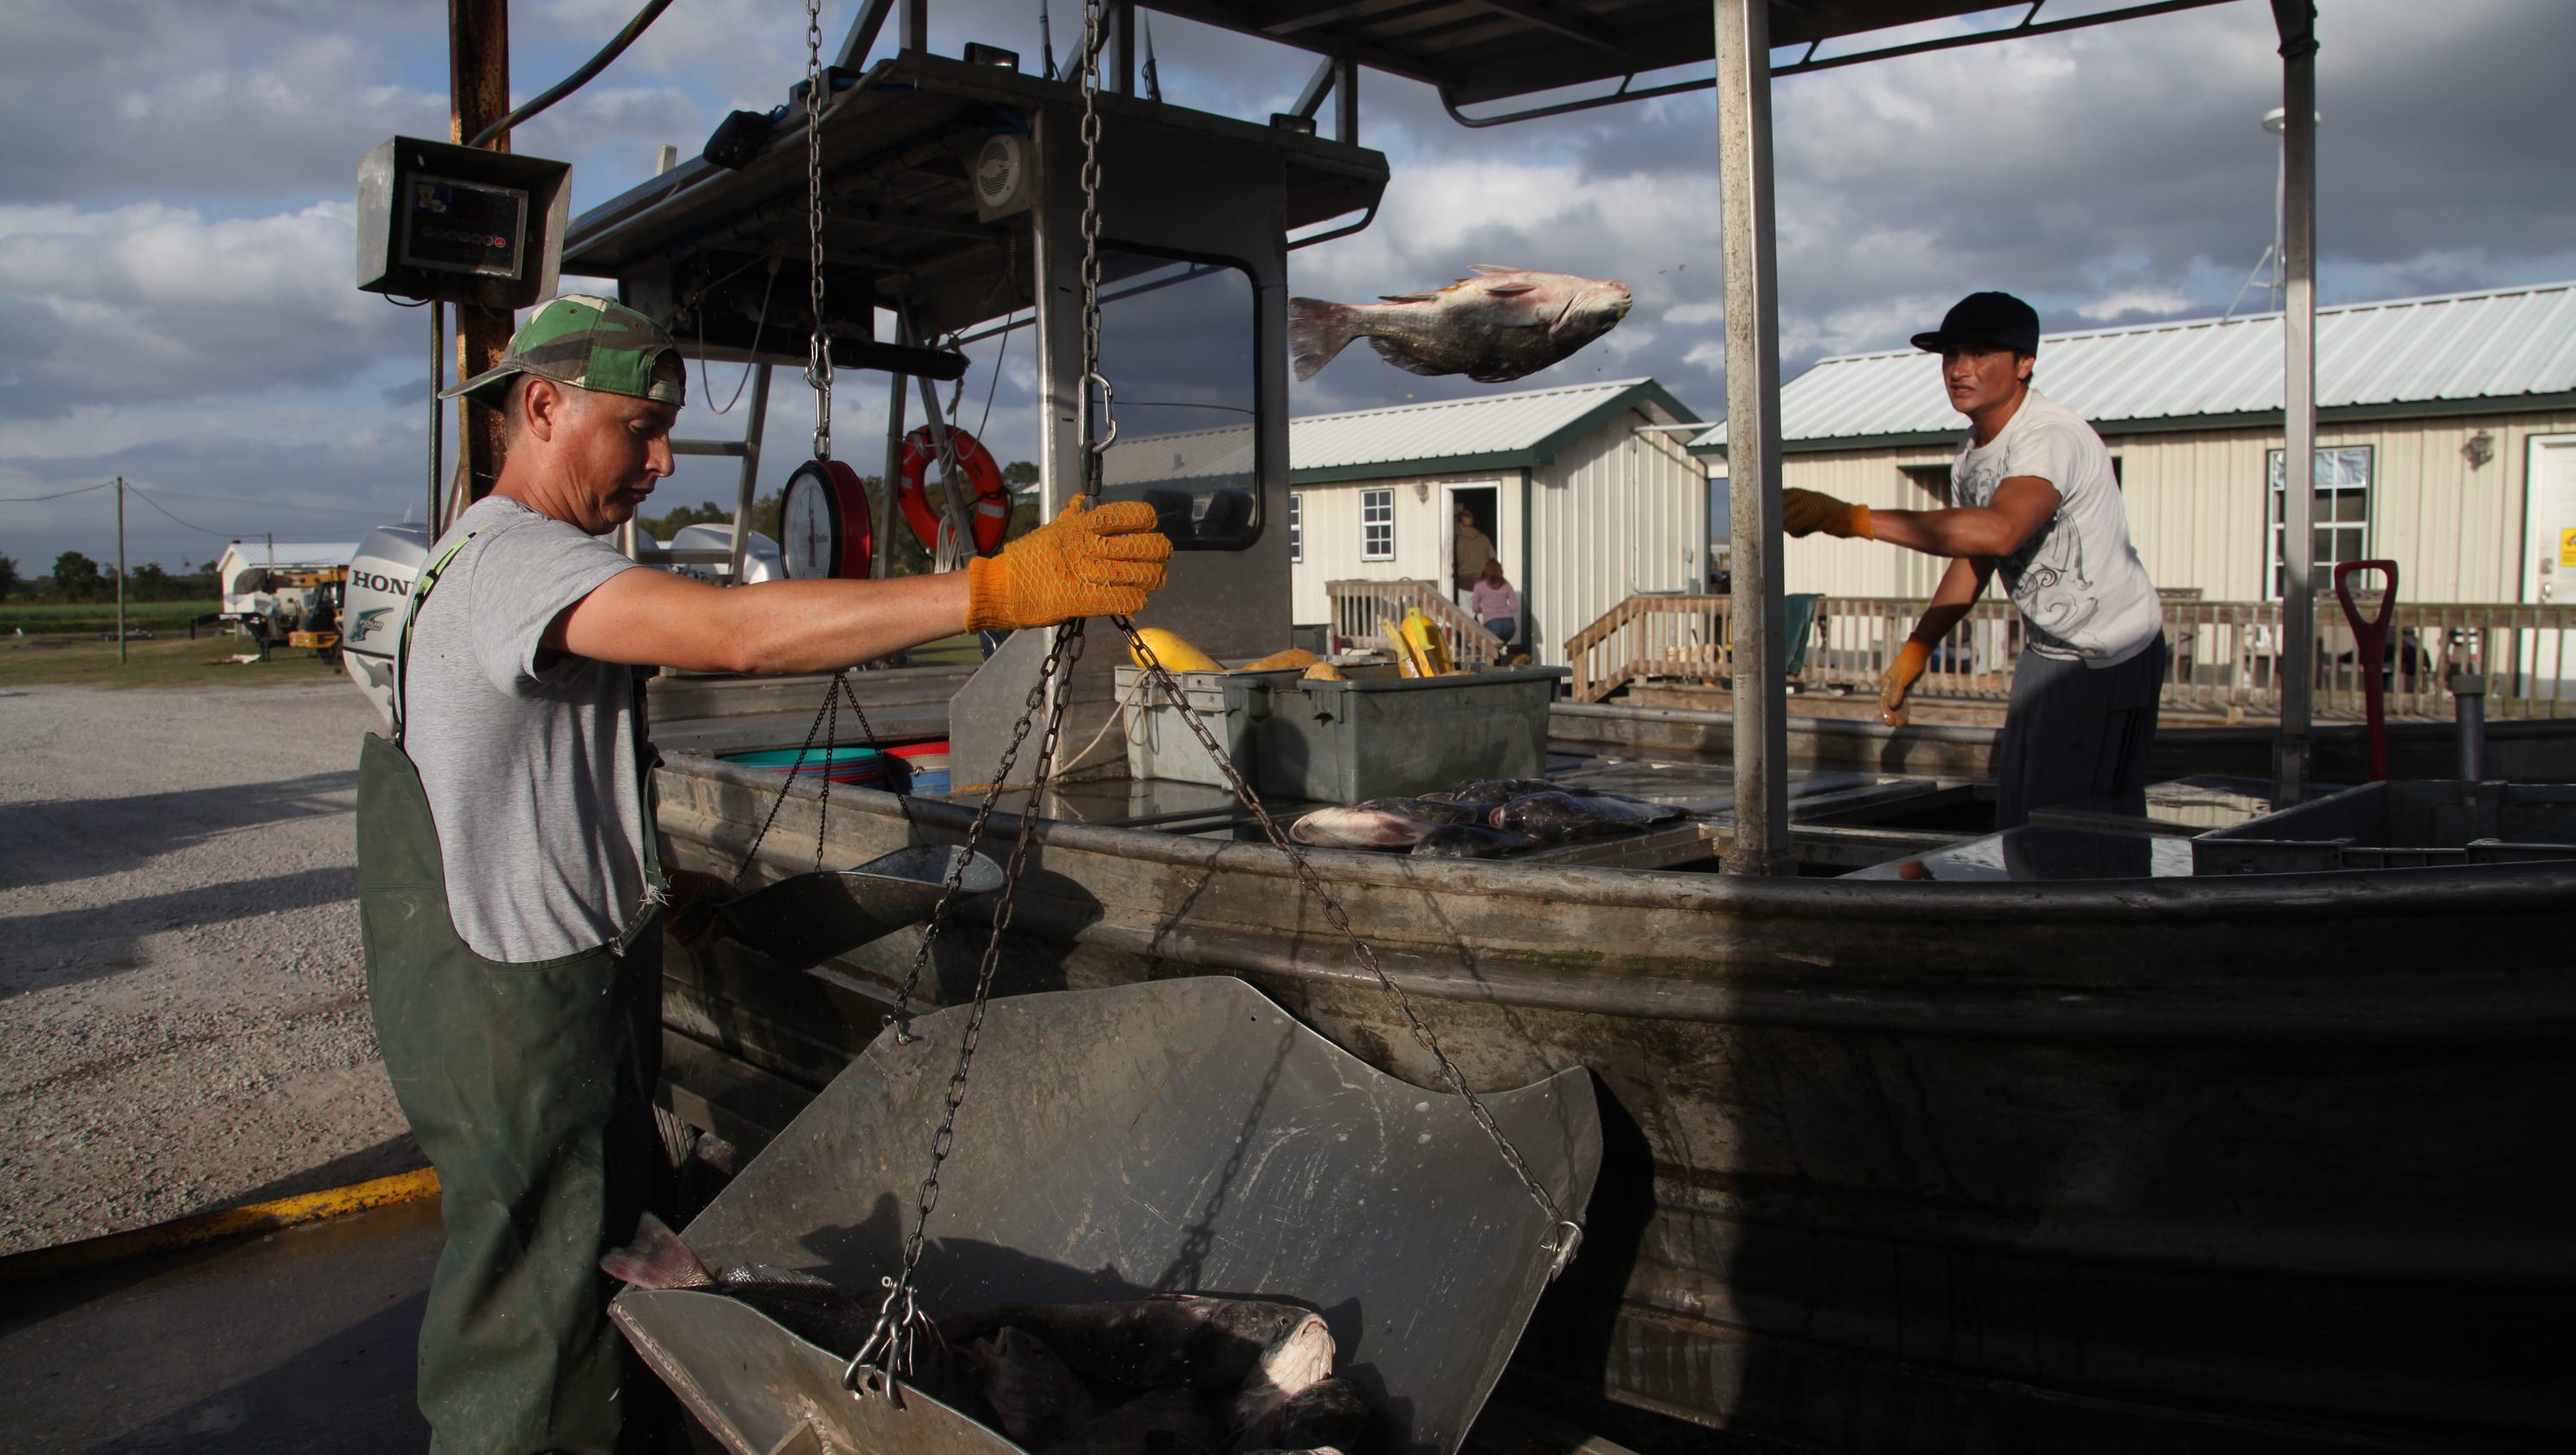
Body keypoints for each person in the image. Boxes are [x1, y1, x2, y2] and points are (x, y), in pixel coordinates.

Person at [360, 295, 1170, 1454]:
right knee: (539, 1346)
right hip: (521, 1032)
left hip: (548, 1007)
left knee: (605, 1294)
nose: (661, 460)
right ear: (541, 408)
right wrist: (991, 590)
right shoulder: (514, 559)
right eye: (640, 428)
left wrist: (650, 877)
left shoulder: (502, 564)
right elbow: (736, 635)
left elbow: (518, 776)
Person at [1780, 290, 2164, 827]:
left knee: (2078, 825)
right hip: (2048, 649)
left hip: (2110, 653)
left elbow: (2001, 532)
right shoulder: (1972, 453)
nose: (1959, 369)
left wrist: (1852, 519)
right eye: (1951, 355)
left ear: (2024, 363)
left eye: (1980, 354)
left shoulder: (2049, 437)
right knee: (2023, 811)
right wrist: (1917, 649)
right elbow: (1975, 555)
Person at [1452, 506, 1495, 607]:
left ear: (1460, 525)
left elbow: (1451, 564)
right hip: (1483, 583)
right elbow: (1493, 559)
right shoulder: (1484, 539)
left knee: (1465, 615)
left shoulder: (1457, 542)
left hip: (1464, 584)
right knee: (1483, 615)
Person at [1470, 558, 1519, 645]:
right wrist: (1503, 610)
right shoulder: (1506, 585)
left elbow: (1475, 608)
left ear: (1485, 571)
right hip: (1509, 625)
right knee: (1498, 647)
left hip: (1492, 623)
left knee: (1490, 648)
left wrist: (1484, 610)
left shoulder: (1479, 586)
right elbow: (1514, 606)